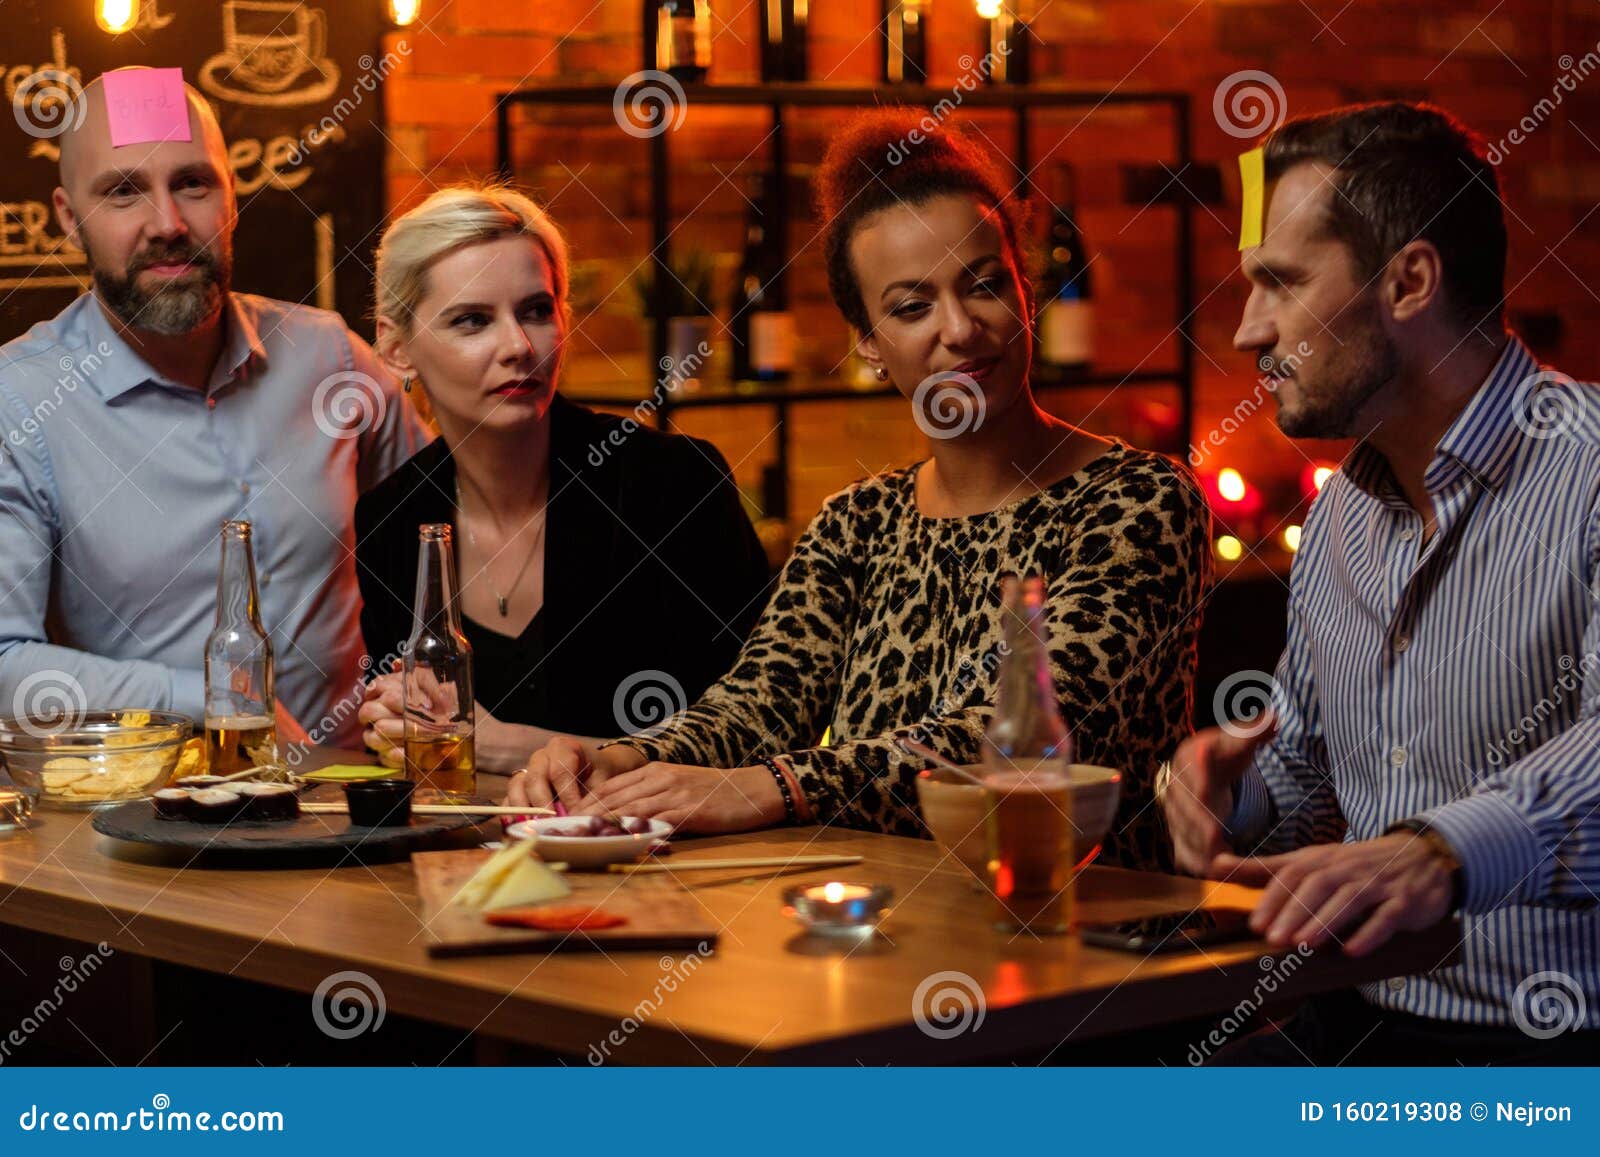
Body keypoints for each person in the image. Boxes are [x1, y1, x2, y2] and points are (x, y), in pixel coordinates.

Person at [508, 109, 1212, 863]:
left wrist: (774, 786)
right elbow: (761, 701)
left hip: (1095, 941)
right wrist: (623, 759)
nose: (961, 329)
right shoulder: (860, 521)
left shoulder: (1139, 501)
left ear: (1026, 292)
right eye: (912, 306)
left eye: (984, 285)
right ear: (871, 345)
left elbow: (1027, 739)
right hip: (893, 932)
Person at [1161, 101, 1600, 1063]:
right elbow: (1313, 774)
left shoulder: (1590, 468)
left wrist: (1443, 853)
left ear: (1409, 280)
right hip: (1356, 1024)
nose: (1247, 330)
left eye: (1279, 282)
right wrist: (1234, 802)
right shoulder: (1345, 510)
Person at [0, 69, 425, 747]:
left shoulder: (329, 360)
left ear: (230, 196)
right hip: (143, 826)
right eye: (122, 191)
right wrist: (209, 697)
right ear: (66, 217)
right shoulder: (18, 401)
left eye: (193, 183)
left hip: (353, 814)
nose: (167, 224)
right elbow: (4, 660)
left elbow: (451, 530)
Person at [353, 184, 771, 774]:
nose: (519, 347)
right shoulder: (391, 518)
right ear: (397, 349)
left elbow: (756, 732)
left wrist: (498, 744)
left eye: (536, 311)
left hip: (666, 857)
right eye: (472, 321)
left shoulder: (671, 486)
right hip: (469, 857)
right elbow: (417, 751)